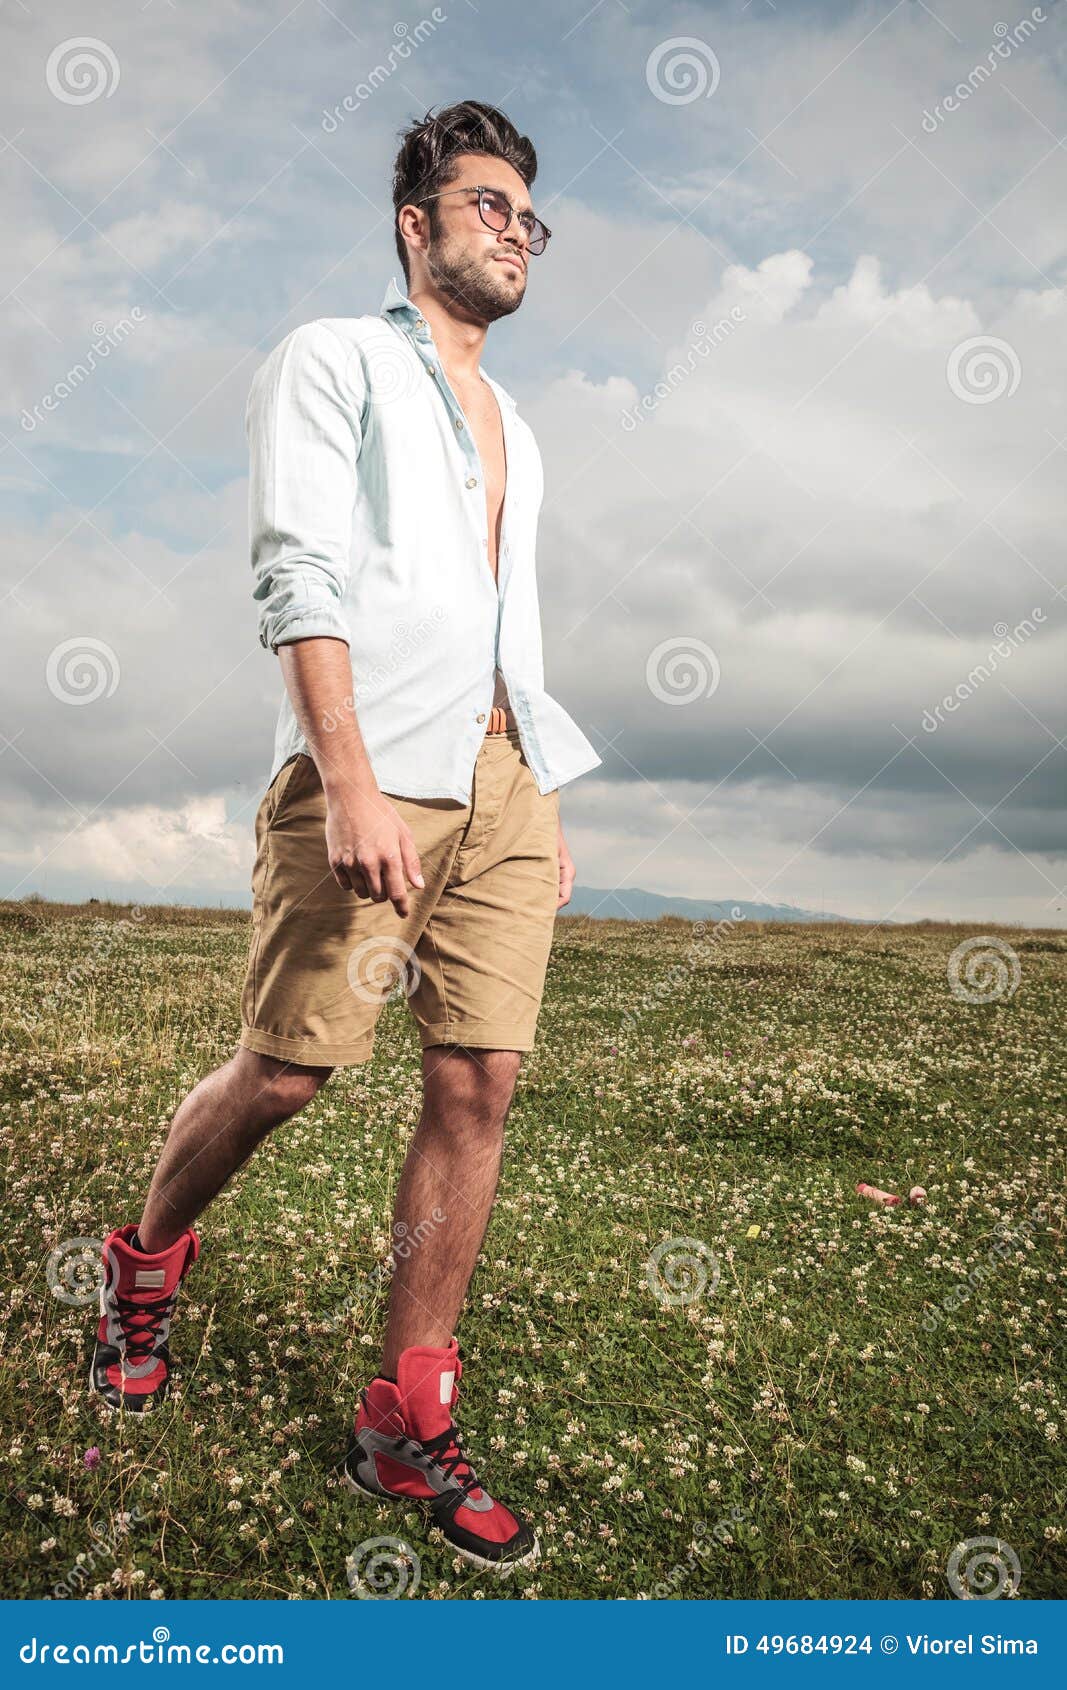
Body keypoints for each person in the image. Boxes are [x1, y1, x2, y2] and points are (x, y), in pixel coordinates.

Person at [90, 100, 600, 1573]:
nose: (515, 232)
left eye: (530, 216)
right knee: (290, 1069)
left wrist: (537, 788)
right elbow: (297, 571)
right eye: (490, 205)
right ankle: (142, 1266)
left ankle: (403, 1418)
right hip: (370, 768)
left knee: (480, 1078)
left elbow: (506, 619)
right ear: (414, 223)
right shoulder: (333, 358)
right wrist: (351, 777)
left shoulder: (521, 428)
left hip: (503, 778)